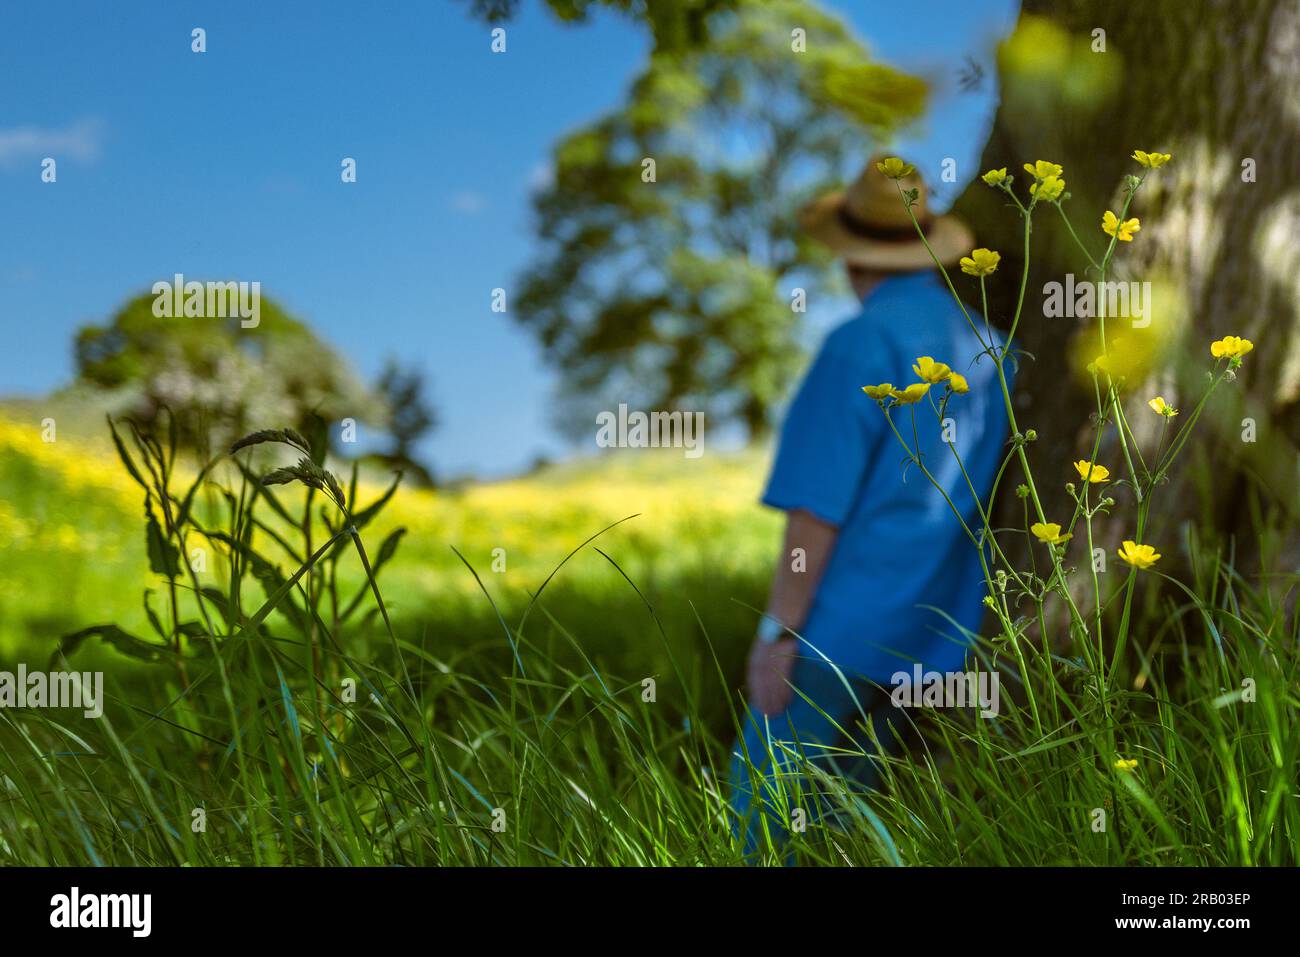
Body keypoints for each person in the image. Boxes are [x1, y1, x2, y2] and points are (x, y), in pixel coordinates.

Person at [729, 157, 1012, 855]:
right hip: (934, 633)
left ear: (852, 259)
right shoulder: (994, 349)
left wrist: (777, 635)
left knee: (760, 819)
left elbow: (814, 514)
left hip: (836, 632)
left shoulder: (857, 345)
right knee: (848, 826)